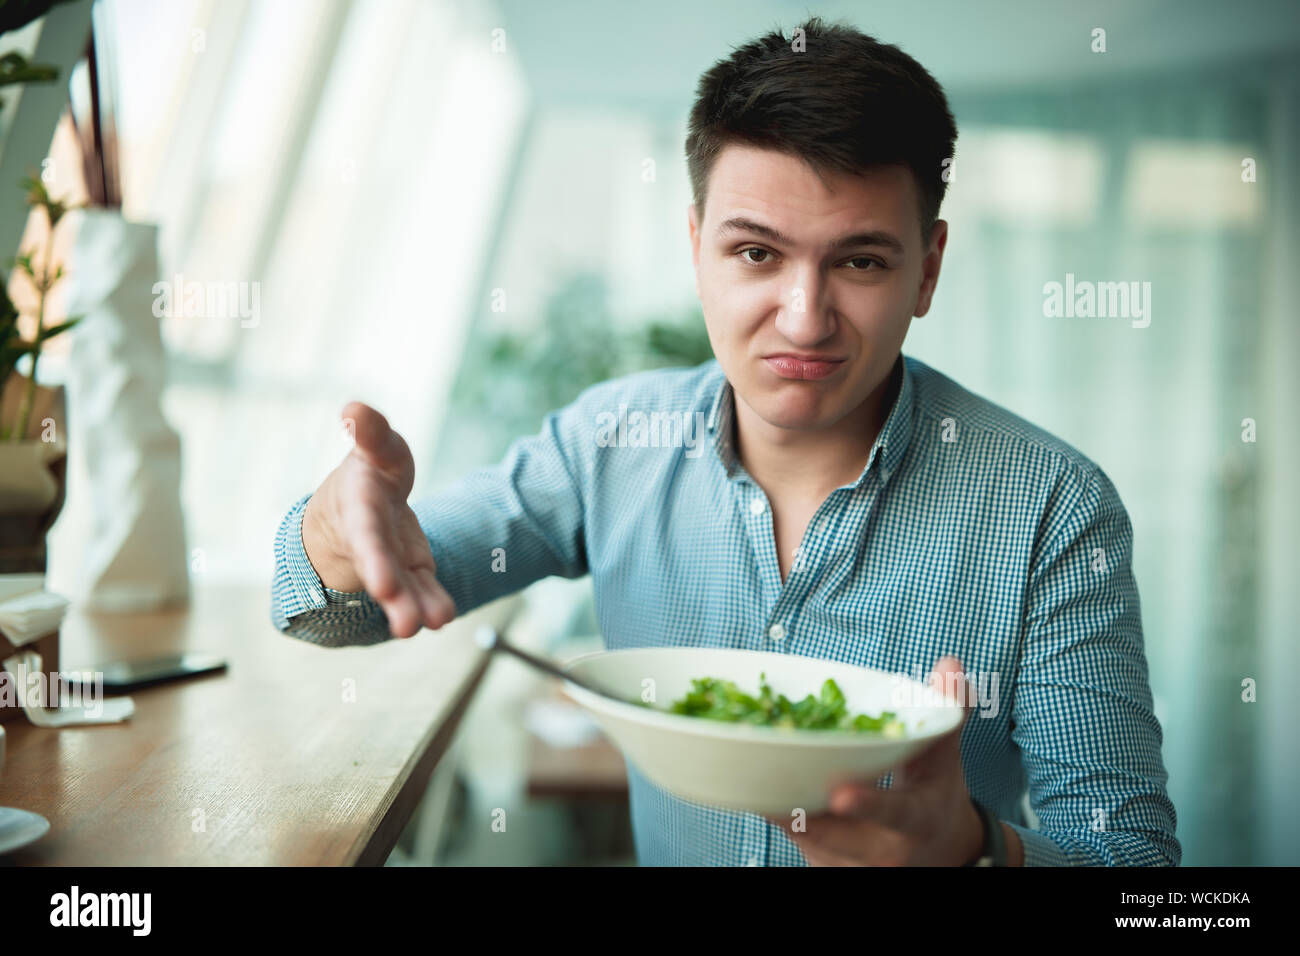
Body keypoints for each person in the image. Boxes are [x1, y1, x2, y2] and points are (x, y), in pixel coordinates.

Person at [270, 16, 1180, 867]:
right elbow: (335, 611)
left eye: (859, 261)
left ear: (927, 268)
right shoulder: (609, 443)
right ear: (698, 246)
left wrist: (975, 849)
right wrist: (340, 536)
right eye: (757, 254)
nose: (804, 317)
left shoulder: (1055, 507)